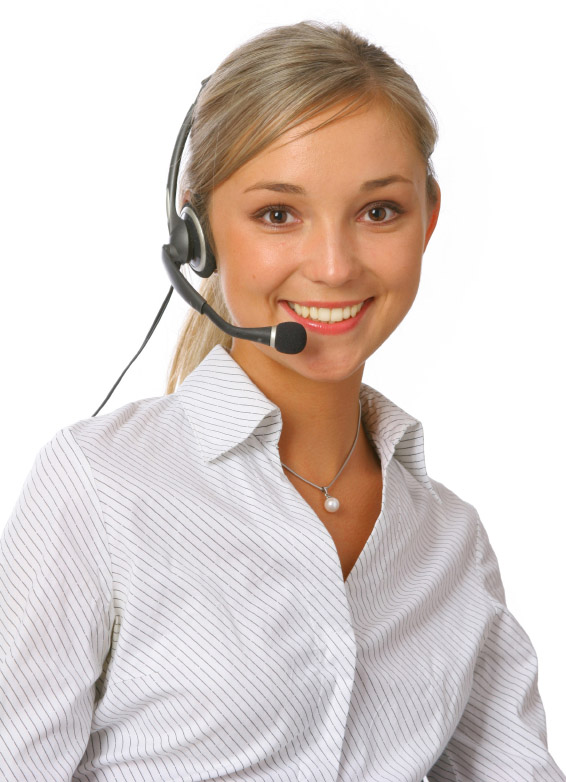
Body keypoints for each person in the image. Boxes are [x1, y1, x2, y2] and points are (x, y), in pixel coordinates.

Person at [0, 20, 564, 782]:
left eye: (378, 211)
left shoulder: (451, 547)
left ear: (428, 220)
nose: (333, 266)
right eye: (277, 214)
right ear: (197, 232)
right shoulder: (99, 488)